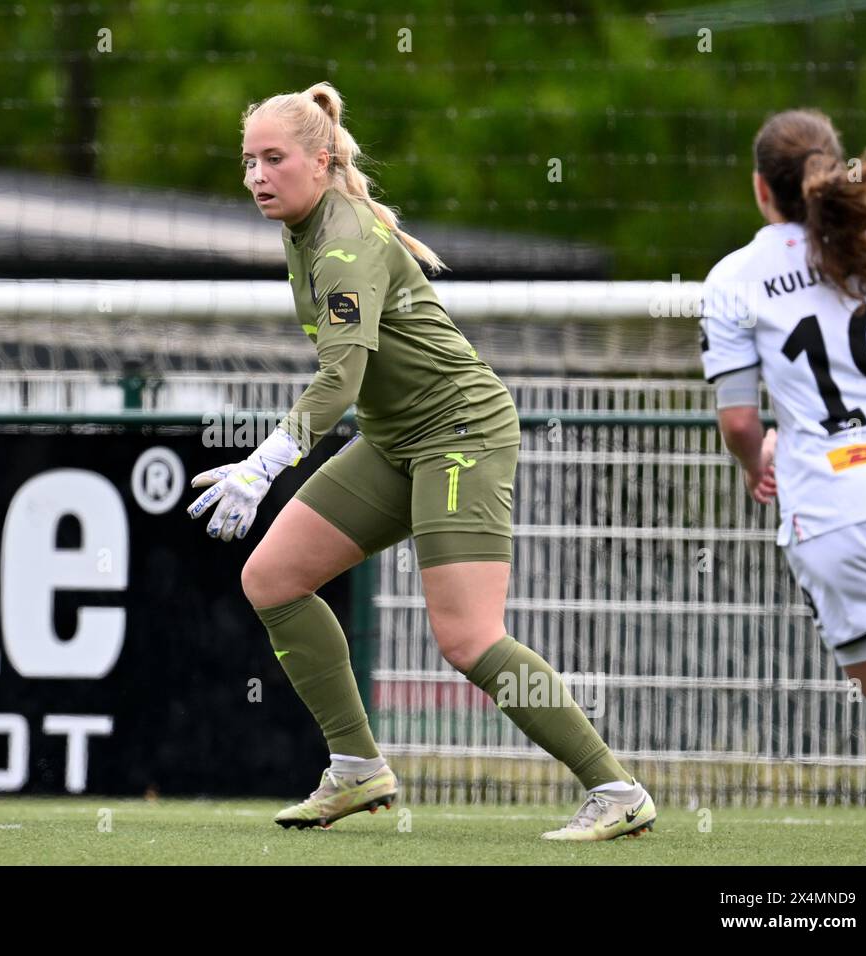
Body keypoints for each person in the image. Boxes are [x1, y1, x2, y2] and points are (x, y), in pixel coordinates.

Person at [187, 81, 655, 839]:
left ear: (321, 158)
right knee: (272, 578)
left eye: (273, 159)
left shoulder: (340, 242)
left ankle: (617, 789)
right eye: (248, 161)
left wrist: (263, 464)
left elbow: (338, 378)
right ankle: (357, 769)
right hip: (396, 440)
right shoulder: (300, 223)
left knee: (467, 637)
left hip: (460, 433)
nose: (256, 178)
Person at [702, 108, 866, 772]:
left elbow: (738, 422)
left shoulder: (736, 277)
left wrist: (754, 458)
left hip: (840, 505)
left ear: (761, 188)